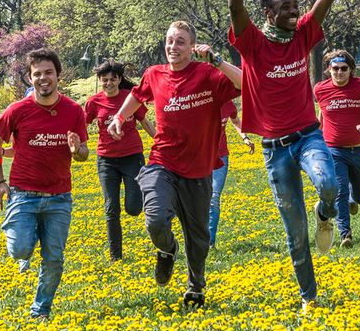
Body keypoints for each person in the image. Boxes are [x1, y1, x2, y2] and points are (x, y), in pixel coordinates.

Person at [227, 0, 359, 308]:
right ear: (267, 14)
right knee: (294, 233)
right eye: (285, 9)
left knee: (331, 186)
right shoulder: (250, 43)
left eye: (294, 7)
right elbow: (235, 6)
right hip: (274, 149)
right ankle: (309, 298)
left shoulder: (303, 33)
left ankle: (326, 212)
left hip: (307, 136)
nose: (293, 13)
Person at [108, 22, 241, 309]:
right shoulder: (154, 74)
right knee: (155, 219)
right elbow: (137, 95)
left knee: (199, 237)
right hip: (162, 161)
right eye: (169, 41)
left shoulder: (208, 74)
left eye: (180, 42)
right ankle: (167, 249)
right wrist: (119, 118)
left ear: (192, 47)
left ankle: (196, 286)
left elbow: (245, 83)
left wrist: (217, 59)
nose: (173, 47)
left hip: (199, 169)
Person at [0, 49, 89, 321]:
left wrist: (76, 149)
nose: (43, 78)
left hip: (59, 198)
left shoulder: (73, 111)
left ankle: (40, 310)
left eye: (48, 73)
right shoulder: (18, 110)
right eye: (37, 74)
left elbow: (84, 155)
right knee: (20, 248)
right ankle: (24, 242)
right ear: (30, 78)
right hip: (23, 194)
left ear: (58, 76)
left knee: (54, 259)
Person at [84, 60, 156, 261]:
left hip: (132, 157)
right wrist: (73, 143)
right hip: (106, 160)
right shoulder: (93, 102)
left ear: (119, 79)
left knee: (133, 208)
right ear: (100, 80)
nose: (108, 83)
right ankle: (116, 256)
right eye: (104, 80)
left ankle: (139, 199)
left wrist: (160, 141)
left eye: (112, 79)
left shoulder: (130, 98)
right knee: (111, 208)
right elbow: (81, 125)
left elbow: (145, 123)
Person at [314, 49, 360, 248]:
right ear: (329, 69)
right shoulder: (320, 89)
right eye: (335, 68)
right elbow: (322, 114)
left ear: (351, 70)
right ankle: (345, 234)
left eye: (344, 68)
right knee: (340, 191)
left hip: (359, 150)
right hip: (334, 151)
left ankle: (354, 198)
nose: (339, 72)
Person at [208, 99, 254, 247]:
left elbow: (235, 120)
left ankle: (209, 242)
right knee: (197, 200)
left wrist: (245, 137)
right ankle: (196, 239)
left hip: (221, 157)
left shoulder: (228, 104)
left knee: (213, 197)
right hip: (199, 158)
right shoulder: (201, 100)